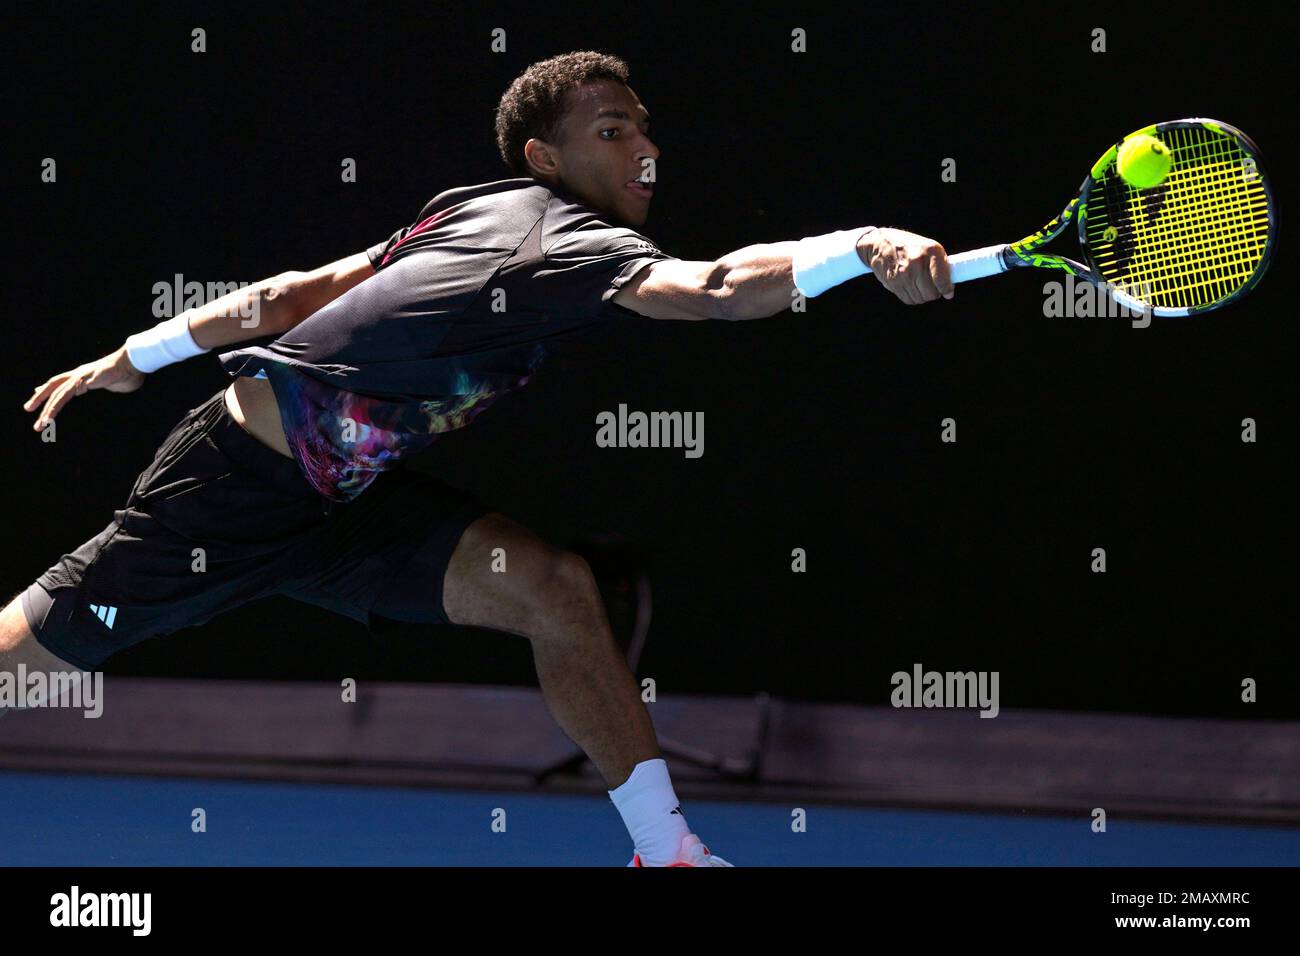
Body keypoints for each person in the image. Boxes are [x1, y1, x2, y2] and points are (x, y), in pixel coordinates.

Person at [3, 51, 953, 867]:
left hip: (351, 505)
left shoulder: (486, 208)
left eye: (645, 128)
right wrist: (858, 244)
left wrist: (135, 354)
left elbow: (297, 291)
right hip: (229, 490)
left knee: (558, 591)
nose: (646, 148)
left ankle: (667, 851)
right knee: (19, 666)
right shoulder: (558, 234)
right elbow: (712, 289)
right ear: (547, 157)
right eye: (615, 130)